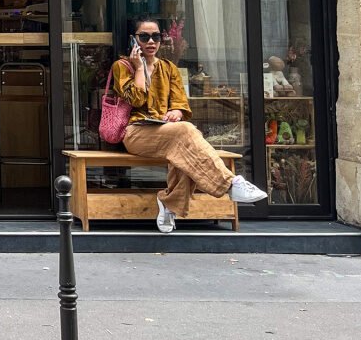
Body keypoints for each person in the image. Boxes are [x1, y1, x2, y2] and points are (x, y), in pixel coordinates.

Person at [112, 19, 268, 233]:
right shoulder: (123, 66)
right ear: (134, 39)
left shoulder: (169, 68)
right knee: (186, 133)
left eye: (156, 36)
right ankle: (230, 184)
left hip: (167, 132)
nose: (151, 41)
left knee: (185, 144)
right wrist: (139, 68)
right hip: (136, 133)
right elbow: (136, 100)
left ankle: (169, 204)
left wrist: (175, 112)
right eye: (144, 36)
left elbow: (180, 104)